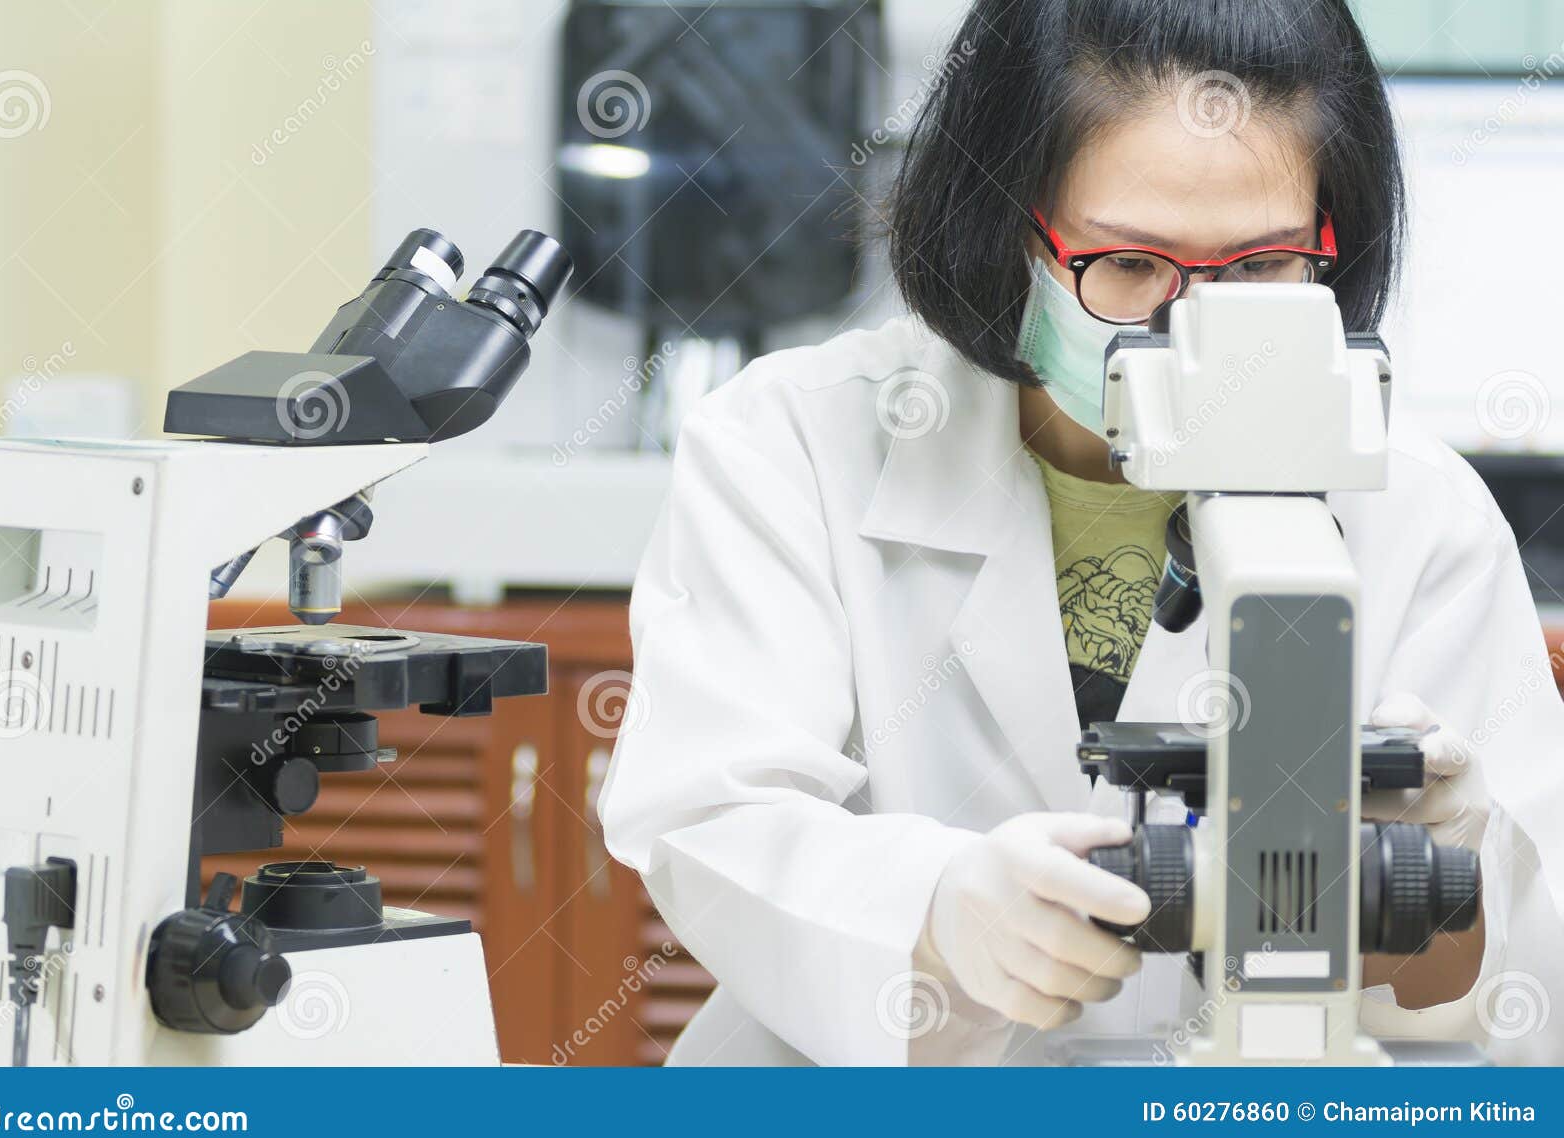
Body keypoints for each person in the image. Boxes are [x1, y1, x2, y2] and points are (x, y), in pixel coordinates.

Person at [599, 0, 1564, 1065]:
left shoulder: (1416, 508)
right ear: (1005, 219)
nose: (1193, 325)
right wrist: (937, 908)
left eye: (1256, 266)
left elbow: (1503, 990)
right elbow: (710, 818)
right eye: (1131, 265)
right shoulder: (795, 441)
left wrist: (1439, 883)